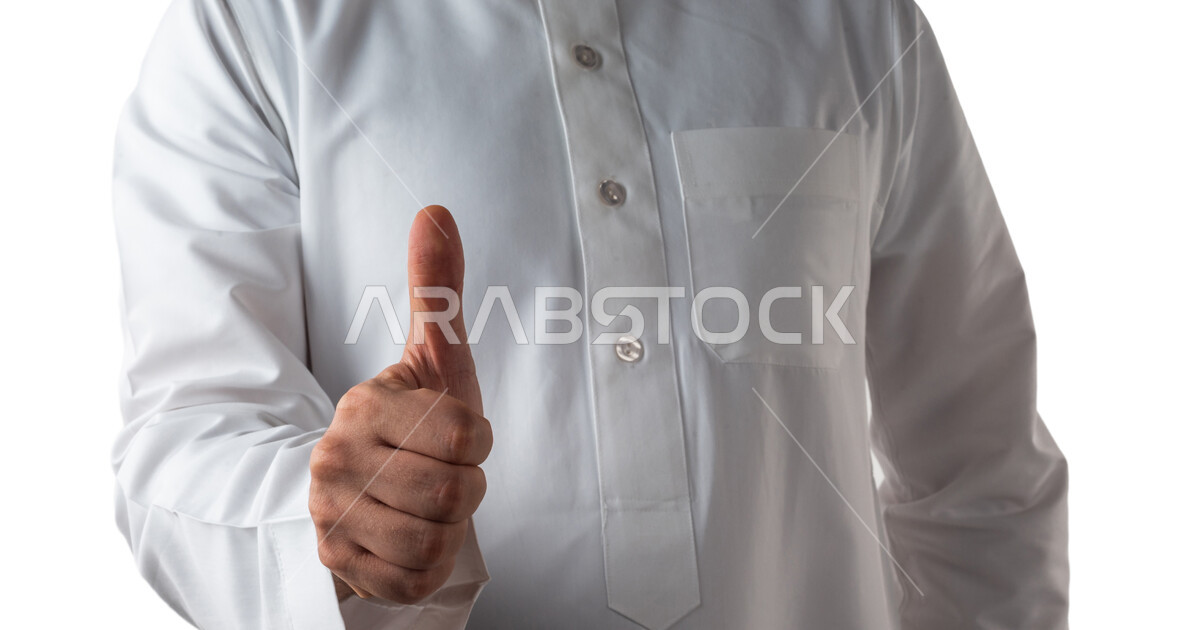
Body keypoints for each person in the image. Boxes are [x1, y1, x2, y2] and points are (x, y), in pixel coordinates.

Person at [110, 0, 1069, 628]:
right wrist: (320, 512)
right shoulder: (255, 24)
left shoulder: (856, 24)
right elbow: (184, 434)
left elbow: (982, 476)